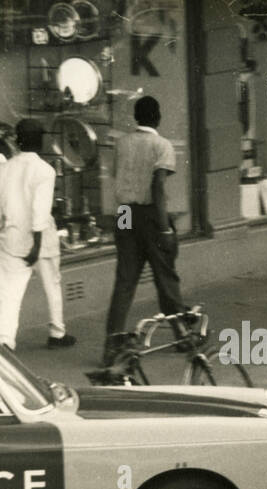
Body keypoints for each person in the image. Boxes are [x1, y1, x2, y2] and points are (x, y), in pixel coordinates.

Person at [103, 95, 192, 365]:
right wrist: (165, 228)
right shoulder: (161, 145)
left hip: (124, 213)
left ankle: (111, 346)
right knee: (165, 275)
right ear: (158, 117)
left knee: (125, 279)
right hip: (150, 213)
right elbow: (158, 187)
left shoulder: (122, 143)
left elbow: (118, 176)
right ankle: (181, 334)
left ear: (136, 117)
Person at [0, 118, 74, 351]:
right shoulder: (45, 170)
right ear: (42, 141)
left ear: (17, 140)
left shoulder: (3, 169)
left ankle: (5, 340)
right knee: (52, 284)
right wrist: (35, 245)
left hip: (11, 237)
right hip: (41, 239)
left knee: (8, 292)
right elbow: (41, 209)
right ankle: (57, 332)